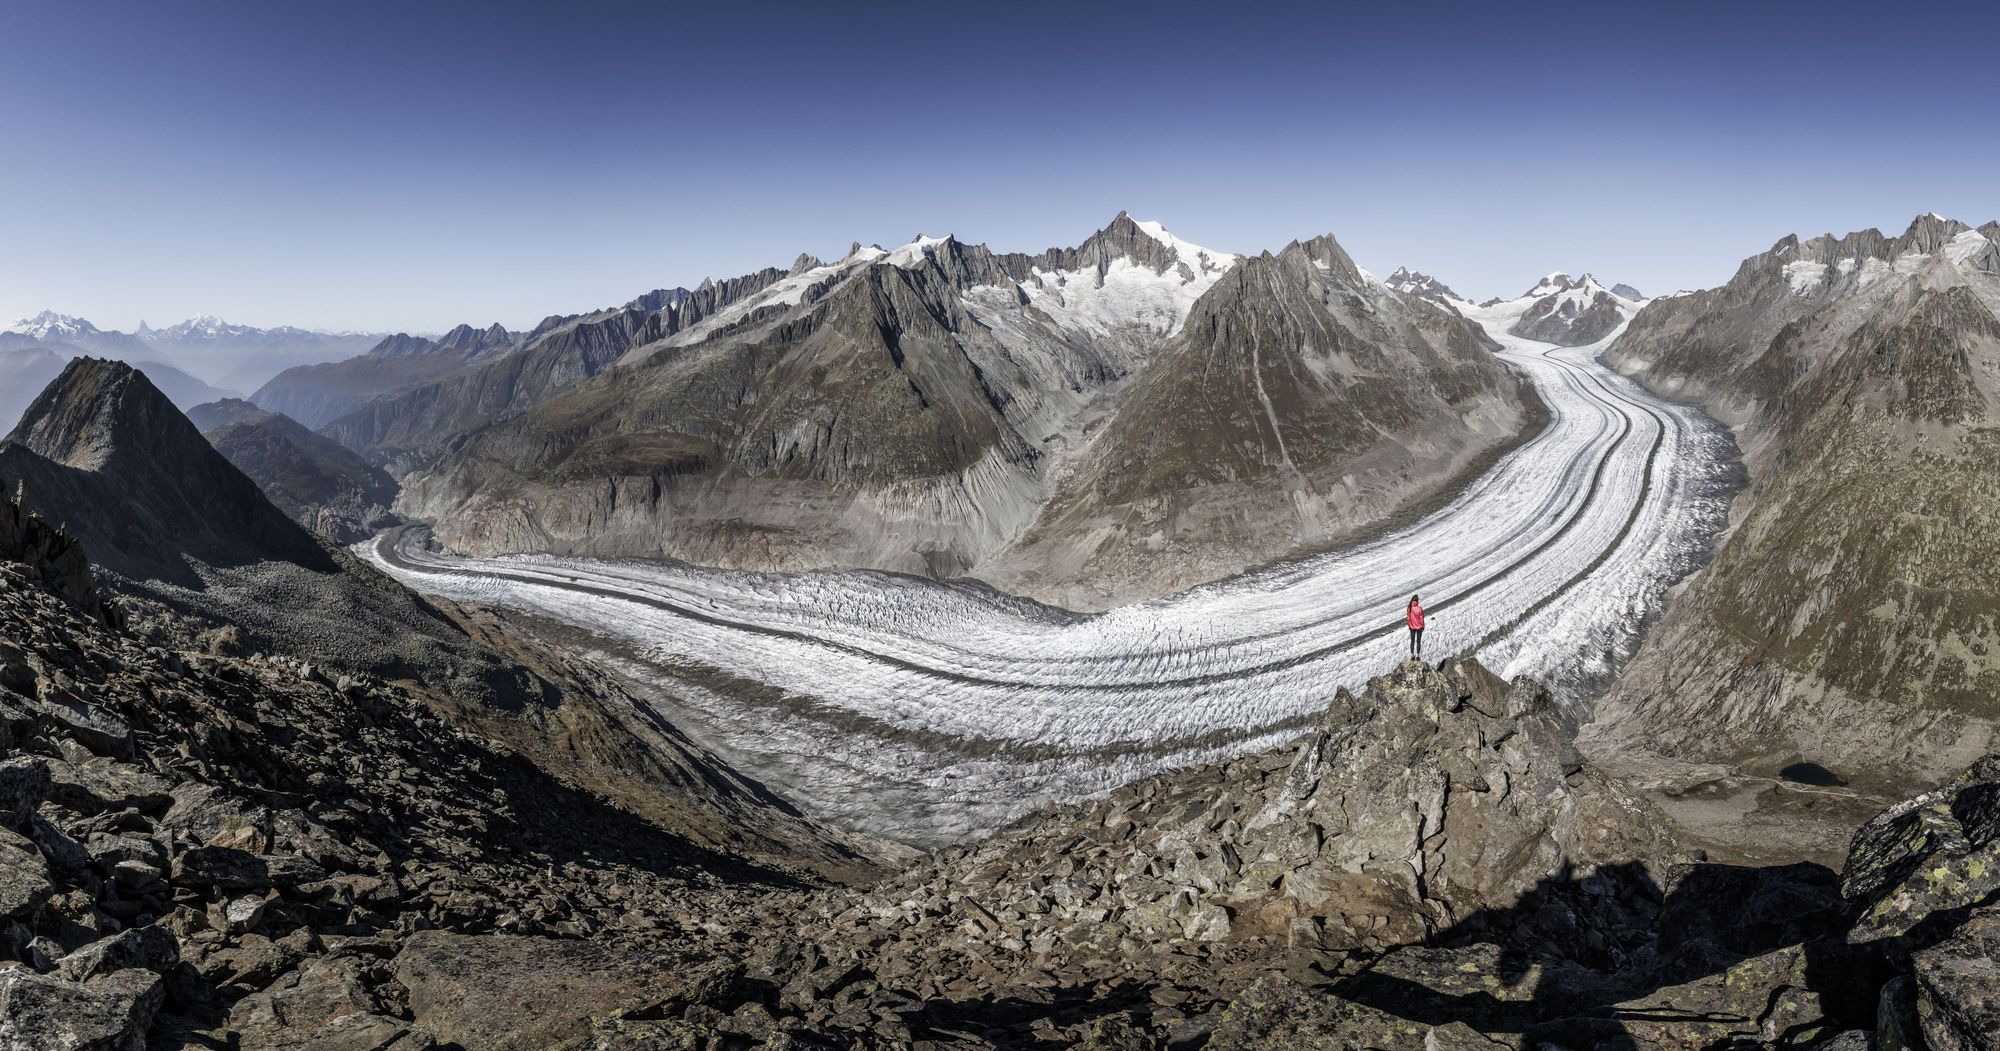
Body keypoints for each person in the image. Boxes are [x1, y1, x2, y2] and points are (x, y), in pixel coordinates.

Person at [1407, 595, 1425, 659]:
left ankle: (1412, 655)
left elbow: (1408, 618)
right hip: (1419, 627)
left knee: (1412, 641)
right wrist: (1423, 626)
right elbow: (1421, 618)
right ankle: (1418, 655)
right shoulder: (1419, 608)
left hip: (1412, 627)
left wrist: (1409, 625)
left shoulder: (1409, 608)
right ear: (1417, 601)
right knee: (1418, 641)